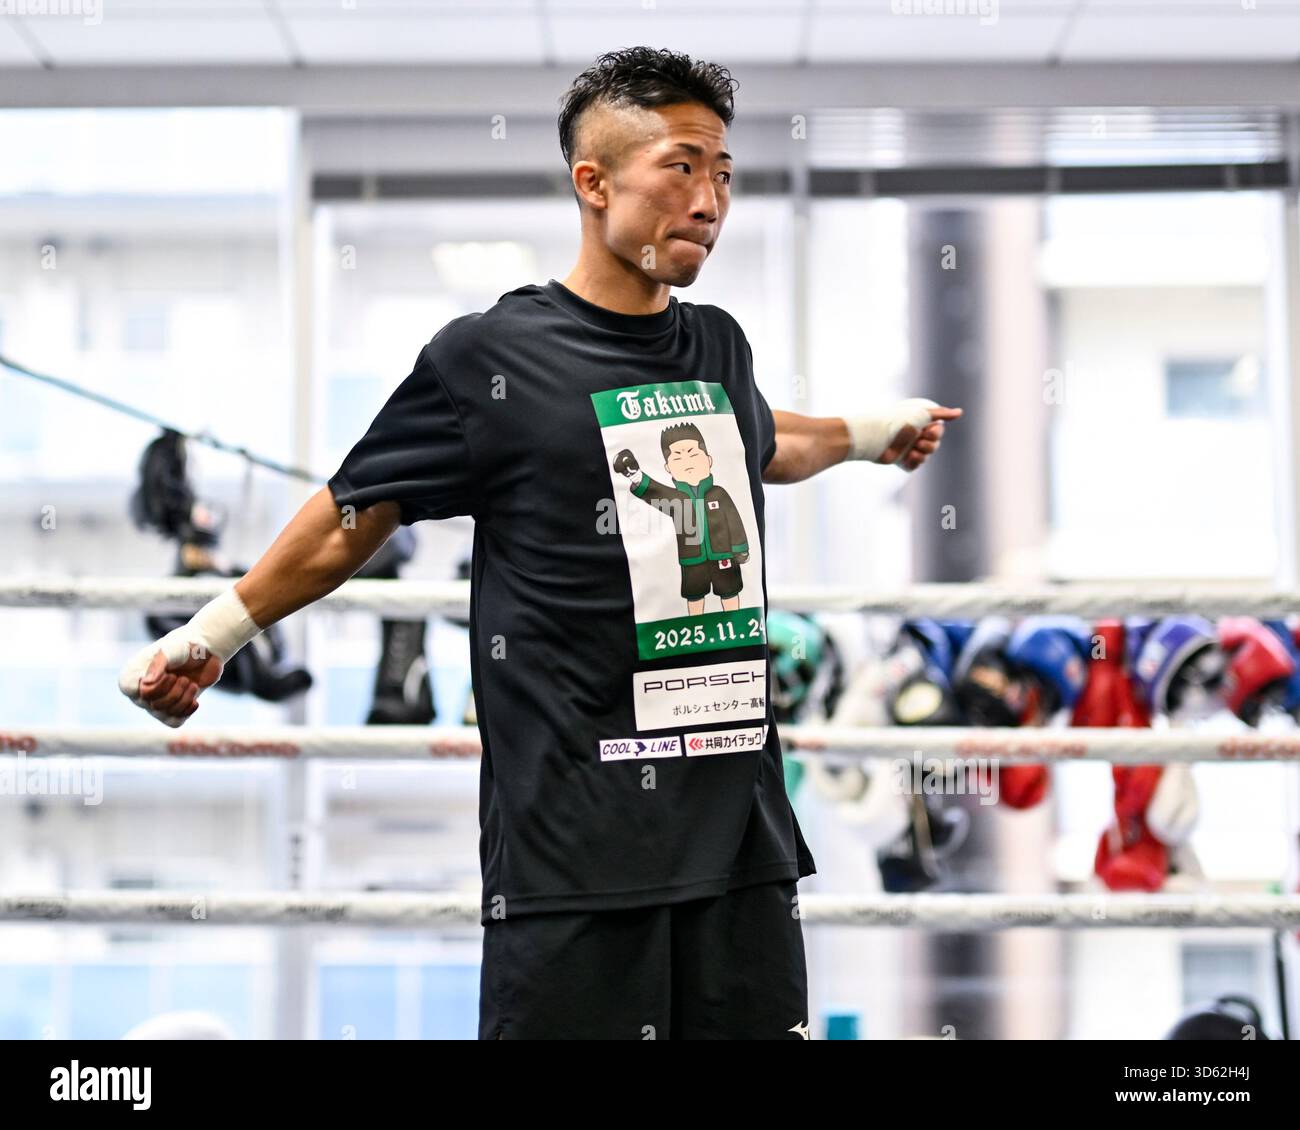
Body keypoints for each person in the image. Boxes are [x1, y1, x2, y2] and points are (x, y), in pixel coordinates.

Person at [118, 46, 961, 1040]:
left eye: (723, 172)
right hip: (575, 854)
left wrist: (872, 434)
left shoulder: (718, 345)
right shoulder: (490, 359)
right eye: (681, 166)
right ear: (593, 182)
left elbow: (767, 439)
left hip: (740, 840)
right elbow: (354, 513)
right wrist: (209, 635)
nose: (710, 198)